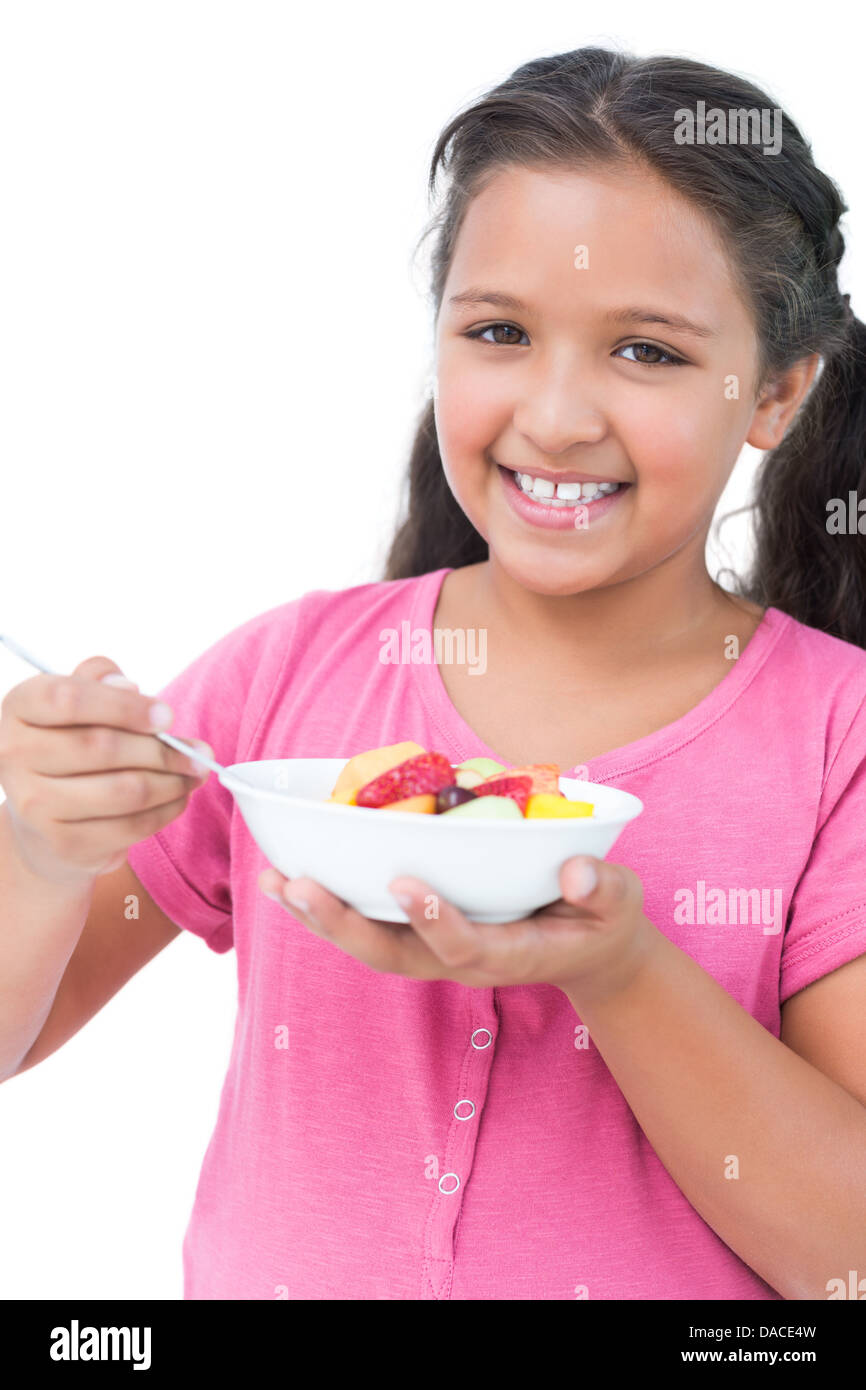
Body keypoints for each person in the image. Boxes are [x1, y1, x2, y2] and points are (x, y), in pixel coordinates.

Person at [2, 46, 865, 1301]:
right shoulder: (286, 677)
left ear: (775, 392)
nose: (557, 415)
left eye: (647, 353)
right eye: (500, 331)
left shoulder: (837, 740)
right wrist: (39, 855)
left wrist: (613, 968)